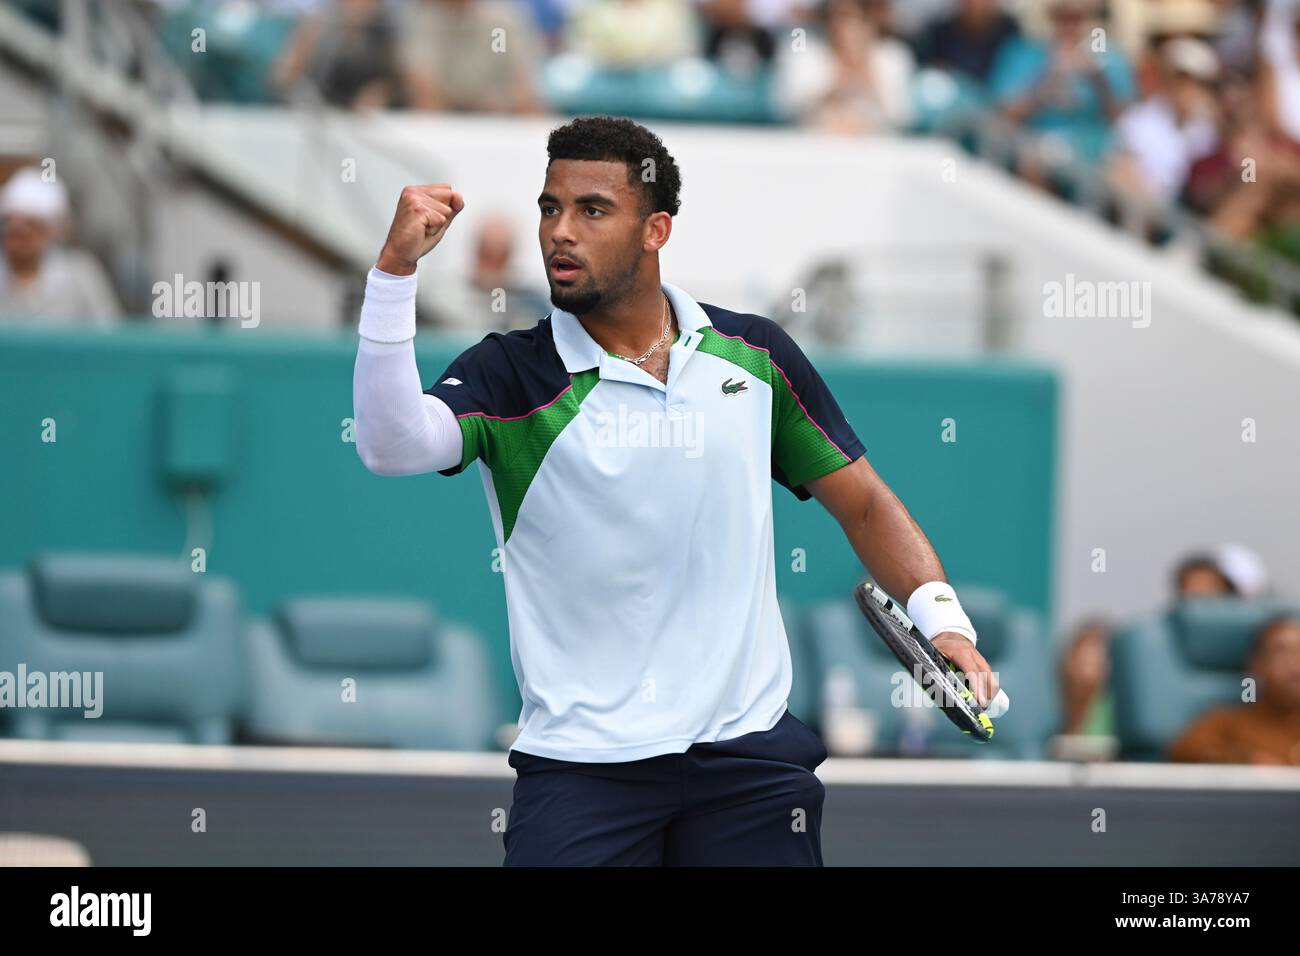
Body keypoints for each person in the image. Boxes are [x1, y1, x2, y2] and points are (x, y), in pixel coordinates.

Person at [351, 115, 997, 866]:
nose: (560, 232)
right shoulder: (508, 374)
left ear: (655, 229)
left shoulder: (755, 356)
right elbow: (390, 444)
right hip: (582, 774)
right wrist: (395, 272)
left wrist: (944, 623)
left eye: (592, 210)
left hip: (750, 768)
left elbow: (862, 501)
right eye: (550, 207)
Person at [1168, 614, 1300, 764]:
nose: (1296, 666)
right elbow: (1183, 752)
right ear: (1256, 666)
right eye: (1284, 653)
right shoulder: (1227, 723)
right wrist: (1245, 762)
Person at [0, 166, 123, 326]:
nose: (20, 237)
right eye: (12, 228)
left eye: (31, 226)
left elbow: (110, 333)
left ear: (51, 231)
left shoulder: (81, 275)